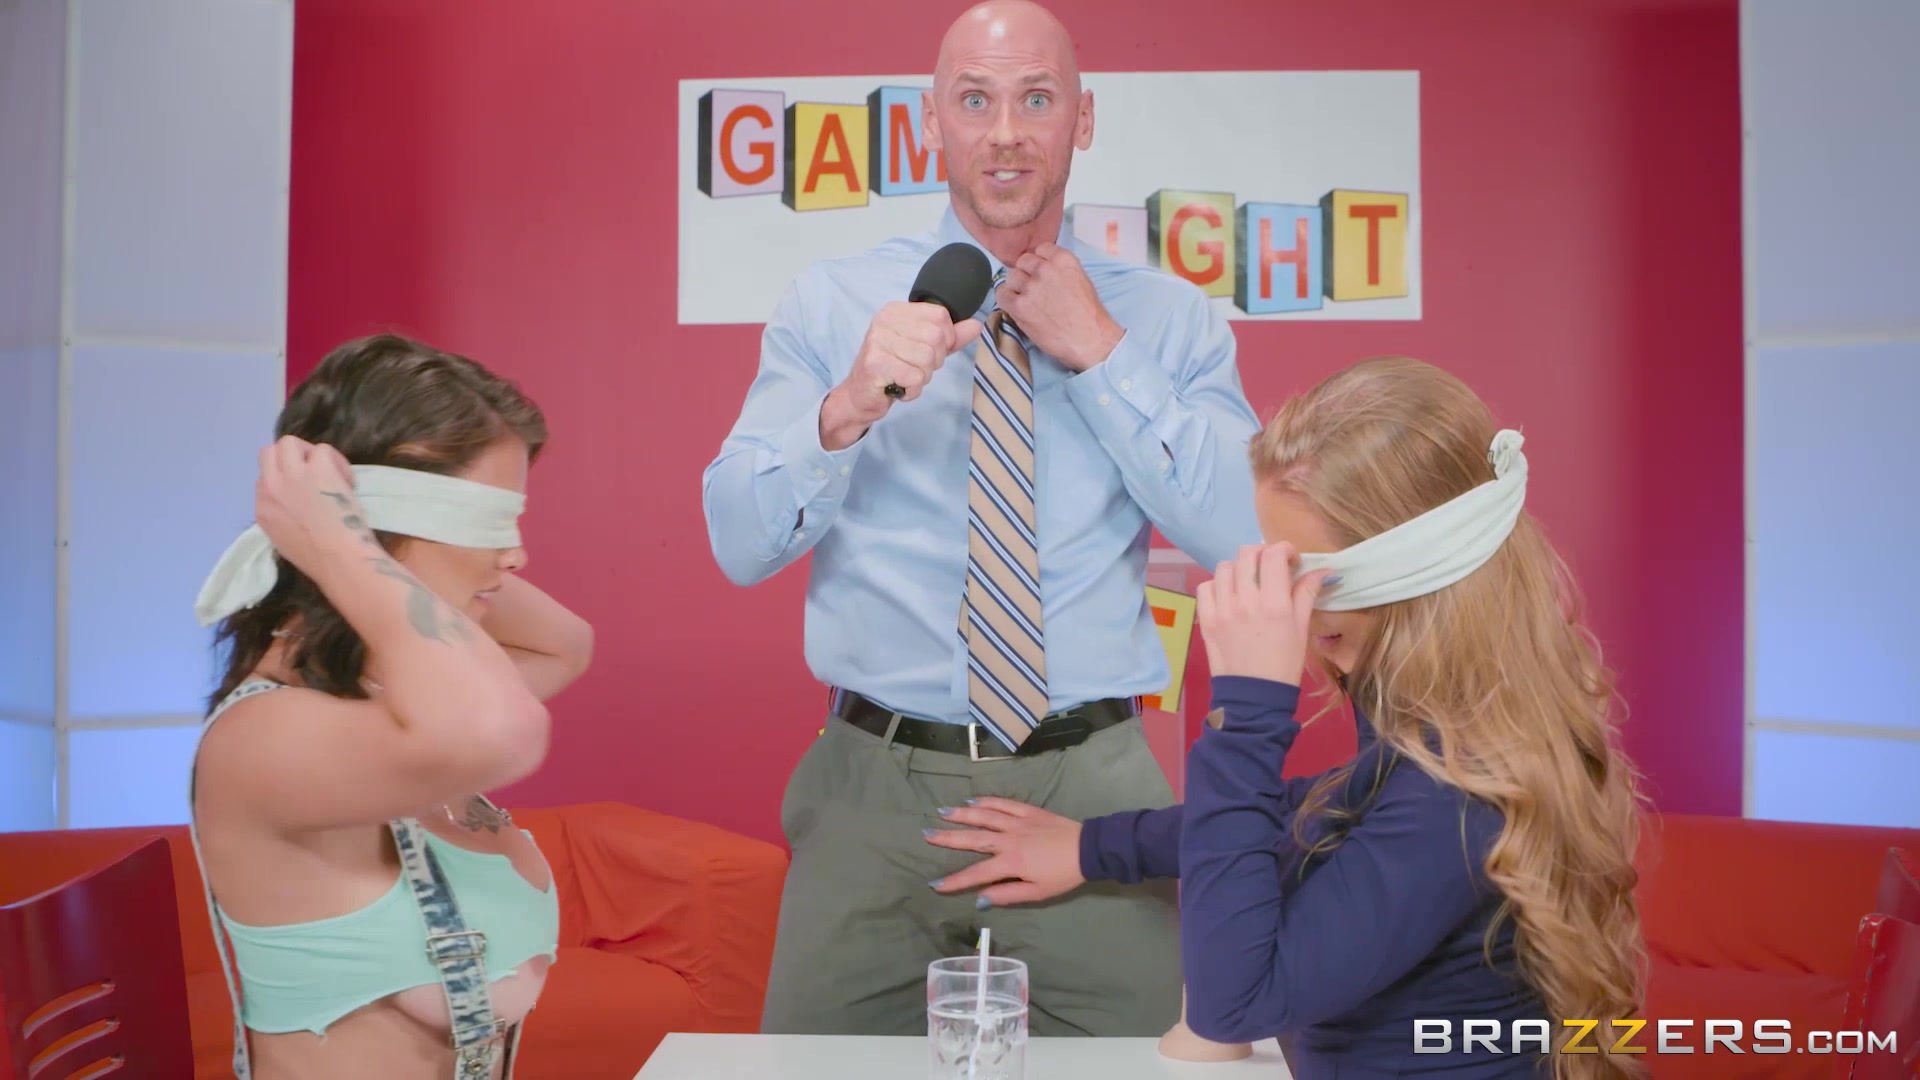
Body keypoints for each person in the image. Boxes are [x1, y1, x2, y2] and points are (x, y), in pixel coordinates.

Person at [701, 0, 1262, 1038]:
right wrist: (846, 407)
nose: (1005, 132)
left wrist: (1104, 354)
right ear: (931, 122)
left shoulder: (1167, 318)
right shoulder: (832, 304)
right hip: (873, 785)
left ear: (1082, 120)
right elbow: (737, 541)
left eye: (1036, 99)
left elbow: (1242, 534)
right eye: (974, 100)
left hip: (1092, 786)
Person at [925, 356, 1649, 1077]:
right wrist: (1095, 846)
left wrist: (1247, 710)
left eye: (1312, 576)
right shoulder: (1453, 731)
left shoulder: (1458, 794)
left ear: (1419, 573)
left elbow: (1233, 1004)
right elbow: (1327, 814)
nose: (1291, 608)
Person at [189, 334, 594, 1080]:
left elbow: (566, 645)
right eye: (486, 523)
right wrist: (339, 545)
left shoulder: (387, 706)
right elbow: (499, 730)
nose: (514, 556)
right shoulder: (268, 737)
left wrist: (359, 547)